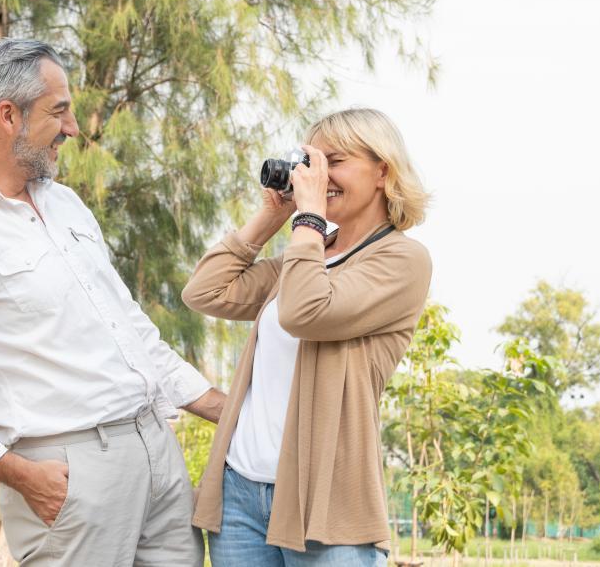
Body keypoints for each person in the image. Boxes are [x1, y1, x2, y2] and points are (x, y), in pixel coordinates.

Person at [0, 38, 224, 566]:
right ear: (8, 116)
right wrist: (24, 476)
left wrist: (217, 406)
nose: (73, 128)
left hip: (157, 452)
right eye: (59, 111)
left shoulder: (64, 204)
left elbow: (127, 328)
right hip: (67, 476)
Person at [182, 108, 432, 565]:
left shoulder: (402, 259)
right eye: (309, 162)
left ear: (382, 170)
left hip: (325, 500)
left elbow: (304, 312)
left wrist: (310, 221)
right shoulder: (306, 255)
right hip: (240, 493)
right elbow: (205, 291)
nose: (315, 175)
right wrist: (271, 219)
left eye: (333, 161)